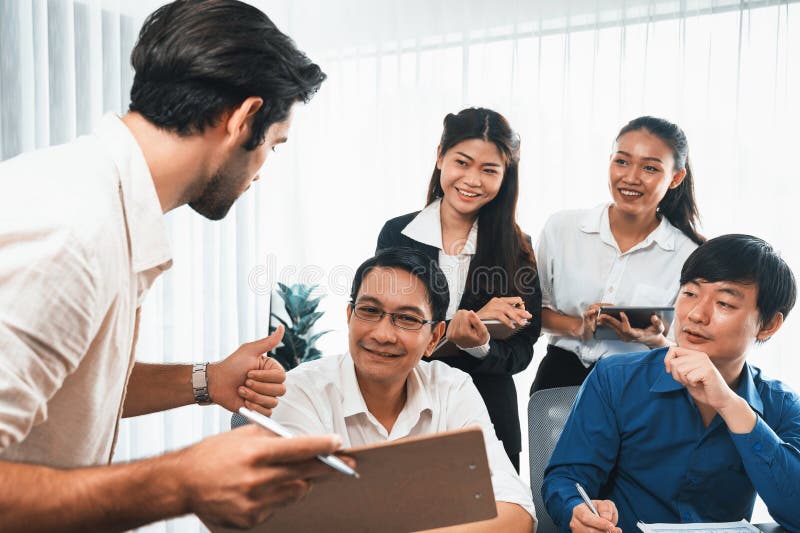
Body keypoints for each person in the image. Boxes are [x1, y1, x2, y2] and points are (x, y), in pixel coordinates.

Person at [0, 1, 350, 530]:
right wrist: (181, 481)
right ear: (243, 118)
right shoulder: (73, 232)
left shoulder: (104, 201)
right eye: (273, 147)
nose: (261, 173)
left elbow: (68, 389)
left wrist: (207, 381)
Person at [542, 234, 800, 533]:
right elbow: (566, 479)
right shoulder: (616, 378)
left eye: (724, 303)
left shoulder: (781, 405)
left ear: (769, 325)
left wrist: (729, 405)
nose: (696, 314)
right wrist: (577, 509)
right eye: (690, 293)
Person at [270, 248, 537, 532]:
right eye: (370, 311)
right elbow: (295, 519)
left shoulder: (452, 389)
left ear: (434, 338)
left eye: (408, 319)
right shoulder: (303, 391)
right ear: (349, 317)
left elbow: (517, 512)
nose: (383, 335)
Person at [376, 107, 541, 471]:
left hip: (487, 412)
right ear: (440, 157)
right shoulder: (398, 235)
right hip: (408, 406)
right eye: (462, 163)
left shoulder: (519, 248)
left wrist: (480, 344)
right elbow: (386, 327)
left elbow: (522, 351)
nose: (472, 180)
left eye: (489, 170)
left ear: (505, 176)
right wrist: (460, 327)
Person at [530, 116, 705, 393]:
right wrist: (580, 327)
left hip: (638, 385)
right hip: (559, 380)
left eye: (649, 167)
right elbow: (530, 311)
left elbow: (692, 349)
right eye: (622, 161)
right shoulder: (562, 228)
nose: (631, 177)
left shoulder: (689, 255)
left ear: (676, 178)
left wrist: (653, 340)